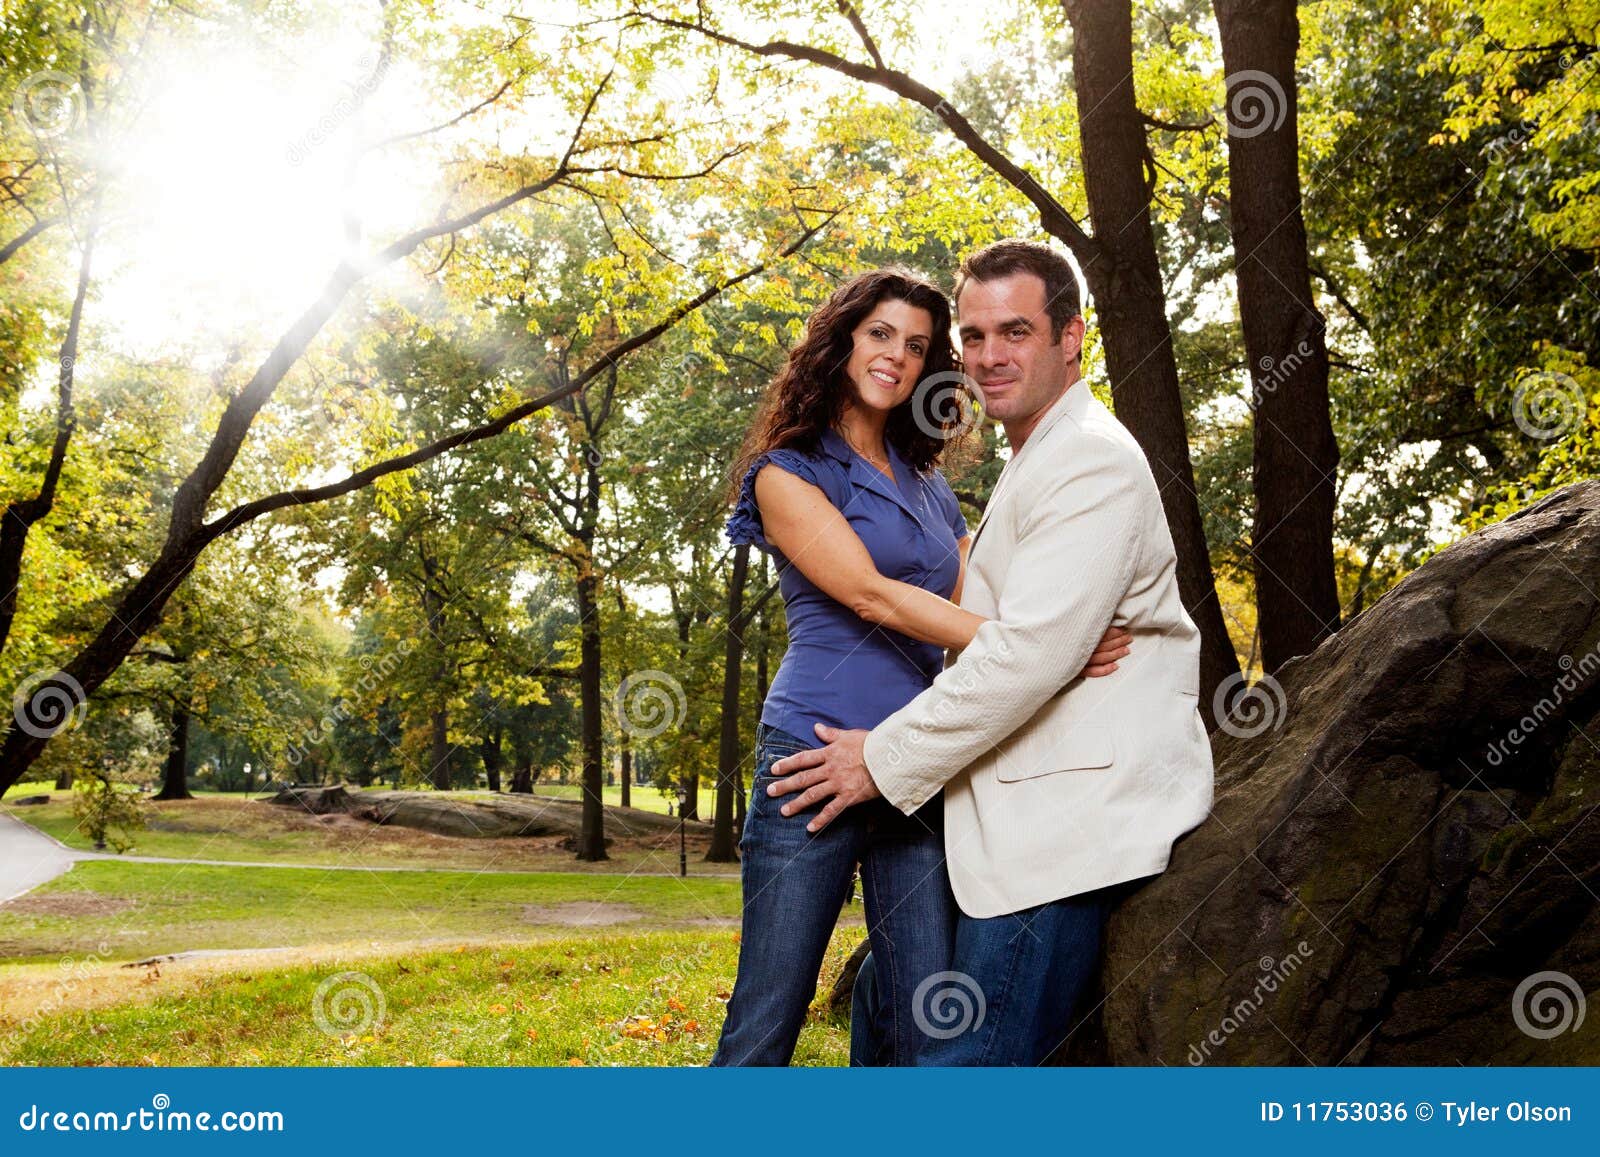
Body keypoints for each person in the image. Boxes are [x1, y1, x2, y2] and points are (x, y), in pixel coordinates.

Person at [767, 240, 1215, 1066]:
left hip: (1062, 832)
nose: (989, 356)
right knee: (884, 1017)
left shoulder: (1089, 460)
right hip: (998, 813)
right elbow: (1002, 633)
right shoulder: (1031, 457)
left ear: (1072, 336)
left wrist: (881, 758)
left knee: (966, 1063)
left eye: (1014, 330)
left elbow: (1026, 657)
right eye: (972, 338)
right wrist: (1037, 647)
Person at [710, 266, 1131, 1066]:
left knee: (925, 1017)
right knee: (769, 1019)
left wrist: (1064, 624)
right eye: (879, 335)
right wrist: (1045, 650)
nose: (896, 357)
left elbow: (982, 589)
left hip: (911, 765)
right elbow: (873, 596)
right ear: (840, 342)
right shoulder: (785, 472)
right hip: (814, 755)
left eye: (916, 345)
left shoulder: (929, 483)